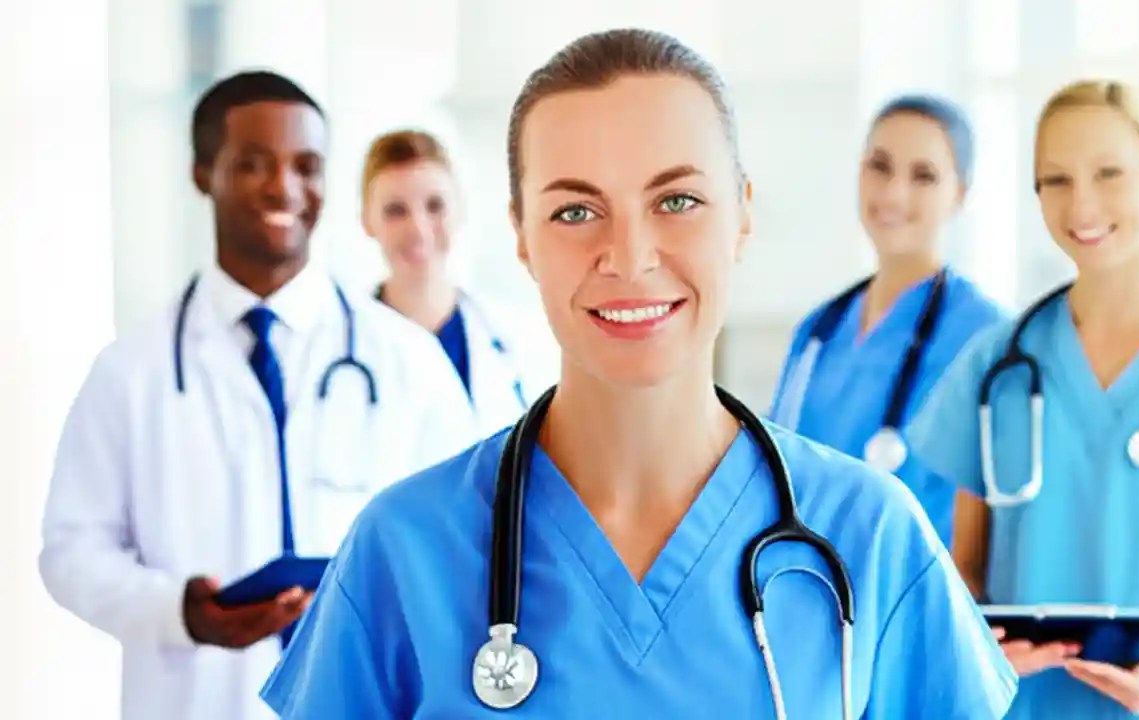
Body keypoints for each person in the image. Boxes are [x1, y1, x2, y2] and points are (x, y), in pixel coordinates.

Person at [259, 29, 1016, 719]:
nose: (629, 256)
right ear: (520, 234)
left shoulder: (872, 537)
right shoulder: (404, 549)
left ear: (742, 215)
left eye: (677, 200)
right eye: (575, 212)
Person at [38, 70, 479, 720]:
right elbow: (71, 552)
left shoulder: (406, 361)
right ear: (202, 172)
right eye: (253, 164)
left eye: (307, 166)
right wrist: (177, 612)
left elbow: (469, 537)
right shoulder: (130, 373)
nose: (285, 187)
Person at [905, 79, 1139, 718]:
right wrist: (984, 641)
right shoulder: (996, 364)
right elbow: (965, 569)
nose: (1081, 203)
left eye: (1109, 173)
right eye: (1054, 180)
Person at [769, 94, 1006, 545]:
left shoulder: (986, 337)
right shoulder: (818, 331)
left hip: (919, 597)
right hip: (807, 590)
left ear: (960, 193)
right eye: (879, 166)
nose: (894, 192)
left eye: (924, 176)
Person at [362, 128, 557, 436]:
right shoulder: (345, 347)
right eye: (395, 211)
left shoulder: (519, 340)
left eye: (435, 206)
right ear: (366, 220)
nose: (419, 229)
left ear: (460, 210)